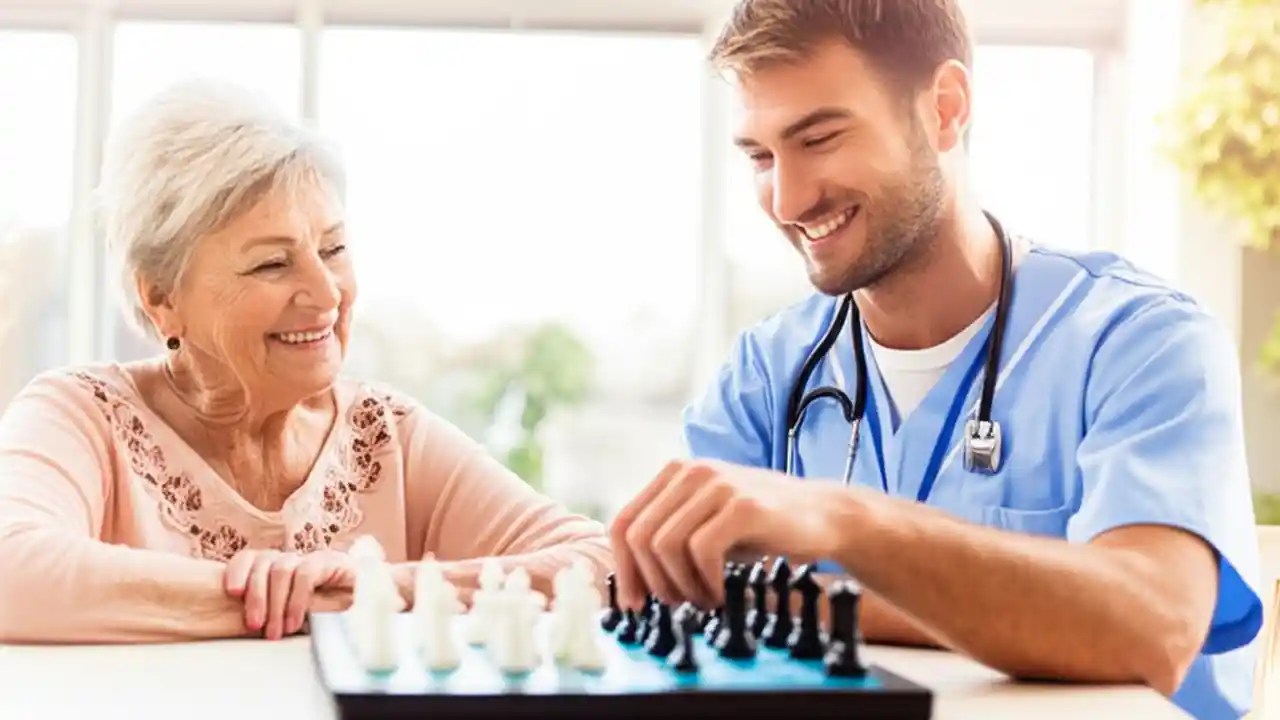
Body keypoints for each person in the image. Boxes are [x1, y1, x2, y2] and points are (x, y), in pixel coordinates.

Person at [610, 2, 1262, 718]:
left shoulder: (1141, 342)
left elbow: (1155, 628)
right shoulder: (767, 375)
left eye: (820, 138)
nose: (788, 199)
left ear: (946, 109)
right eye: (761, 157)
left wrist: (842, 524)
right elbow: (680, 589)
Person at [0, 80, 612, 644]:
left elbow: (601, 563)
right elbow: (10, 571)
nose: (326, 295)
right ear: (160, 298)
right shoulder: (81, 415)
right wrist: (280, 599)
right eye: (272, 263)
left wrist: (378, 590)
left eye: (334, 248)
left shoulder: (385, 434)